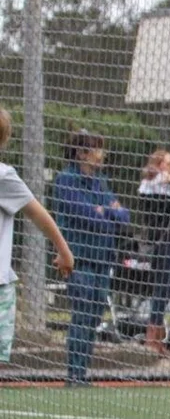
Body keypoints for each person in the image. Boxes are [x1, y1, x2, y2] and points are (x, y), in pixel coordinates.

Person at [53, 129, 130, 386]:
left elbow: (122, 217)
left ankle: (83, 373)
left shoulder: (101, 182)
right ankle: (74, 375)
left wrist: (105, 211)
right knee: (82, 313)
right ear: (81, 153)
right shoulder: (66, 180)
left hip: (102, 259)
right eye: (96, 149)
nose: (101, 154)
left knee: (95, 315)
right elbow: (87, 215)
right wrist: (106, 212)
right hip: (79, 259)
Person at [0, 108, 75, 363]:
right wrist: (64, 250)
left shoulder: (3, 176)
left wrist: (63, 250)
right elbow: (37, 214)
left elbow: (37, 213)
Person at [136, 149, 170, 355]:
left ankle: (158, 339)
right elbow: (165, 211)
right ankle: (152, 340)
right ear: (158, 166)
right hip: (162, 245)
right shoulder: (150, 187)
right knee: (161, 290)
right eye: (168, 164)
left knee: (167, 291)